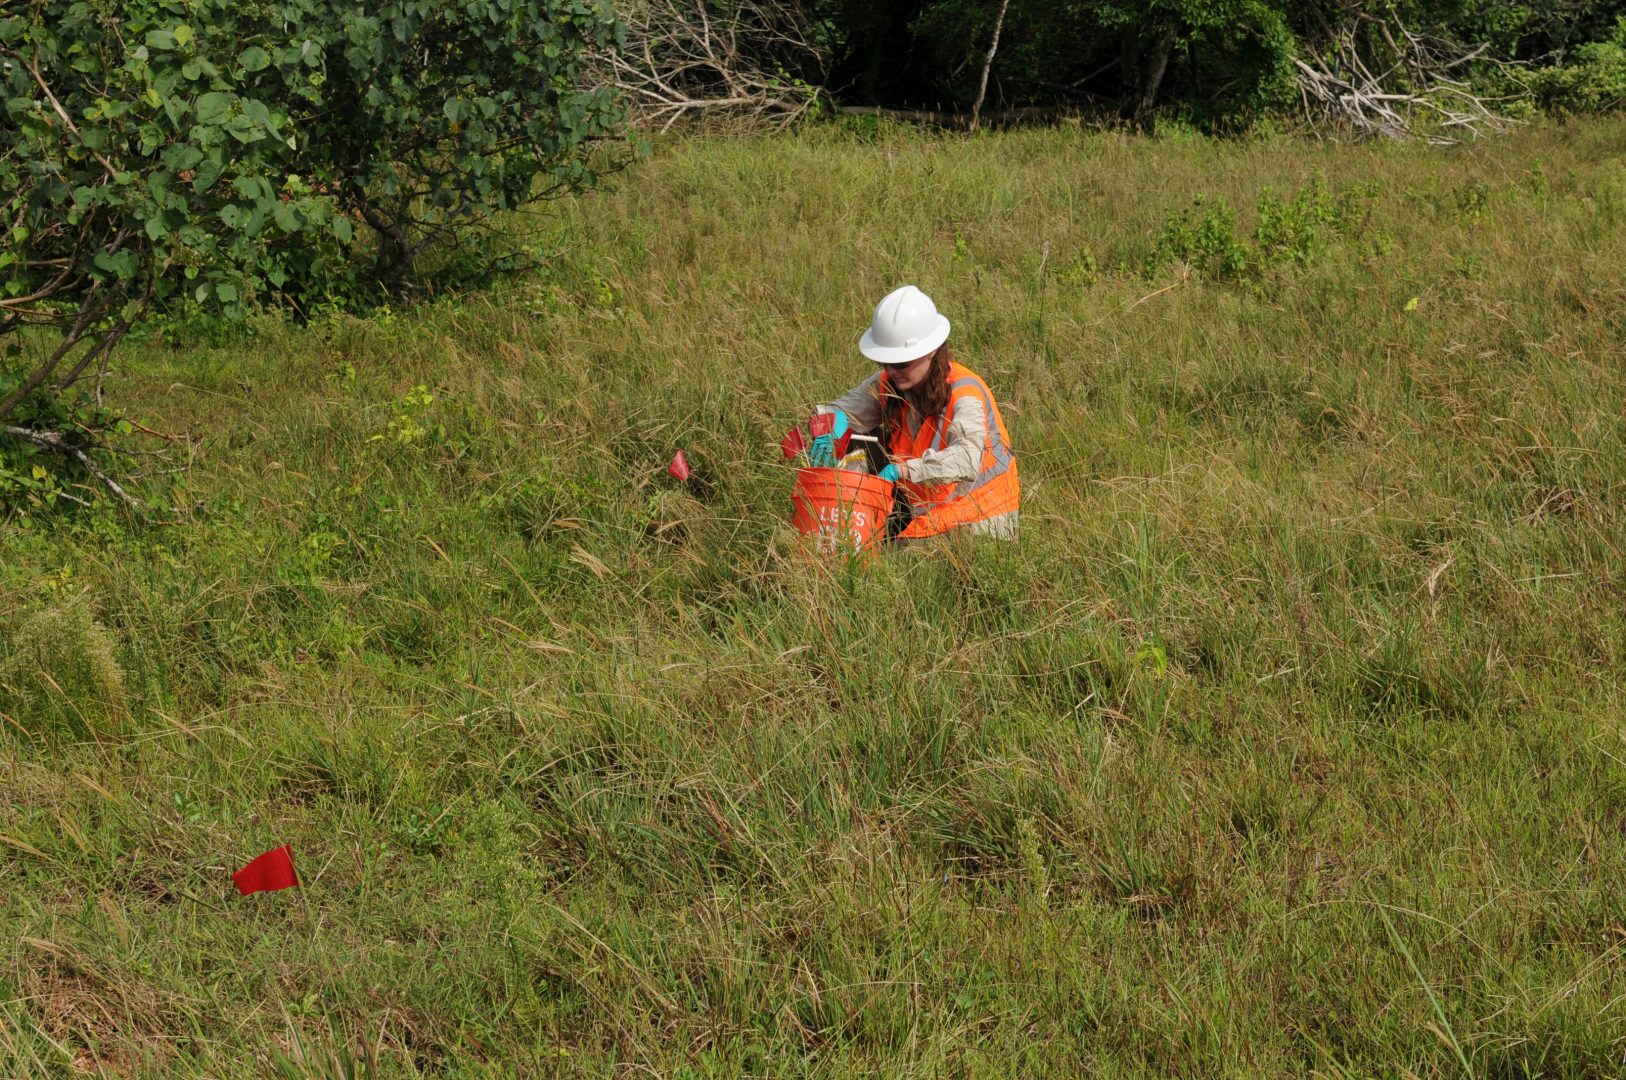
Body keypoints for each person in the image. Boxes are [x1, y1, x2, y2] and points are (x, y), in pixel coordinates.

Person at [792, 285, 1019, 542]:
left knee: (886, 571)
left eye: (901, 362)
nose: (891, 370)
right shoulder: (892, 383)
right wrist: (828, 426)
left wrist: (901, 472)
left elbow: (966, 459)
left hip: (980, 522)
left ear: (932, 351)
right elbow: (840, 410)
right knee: (854, 439)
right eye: (883, 362)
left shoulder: (965, 393)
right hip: (927, 513)